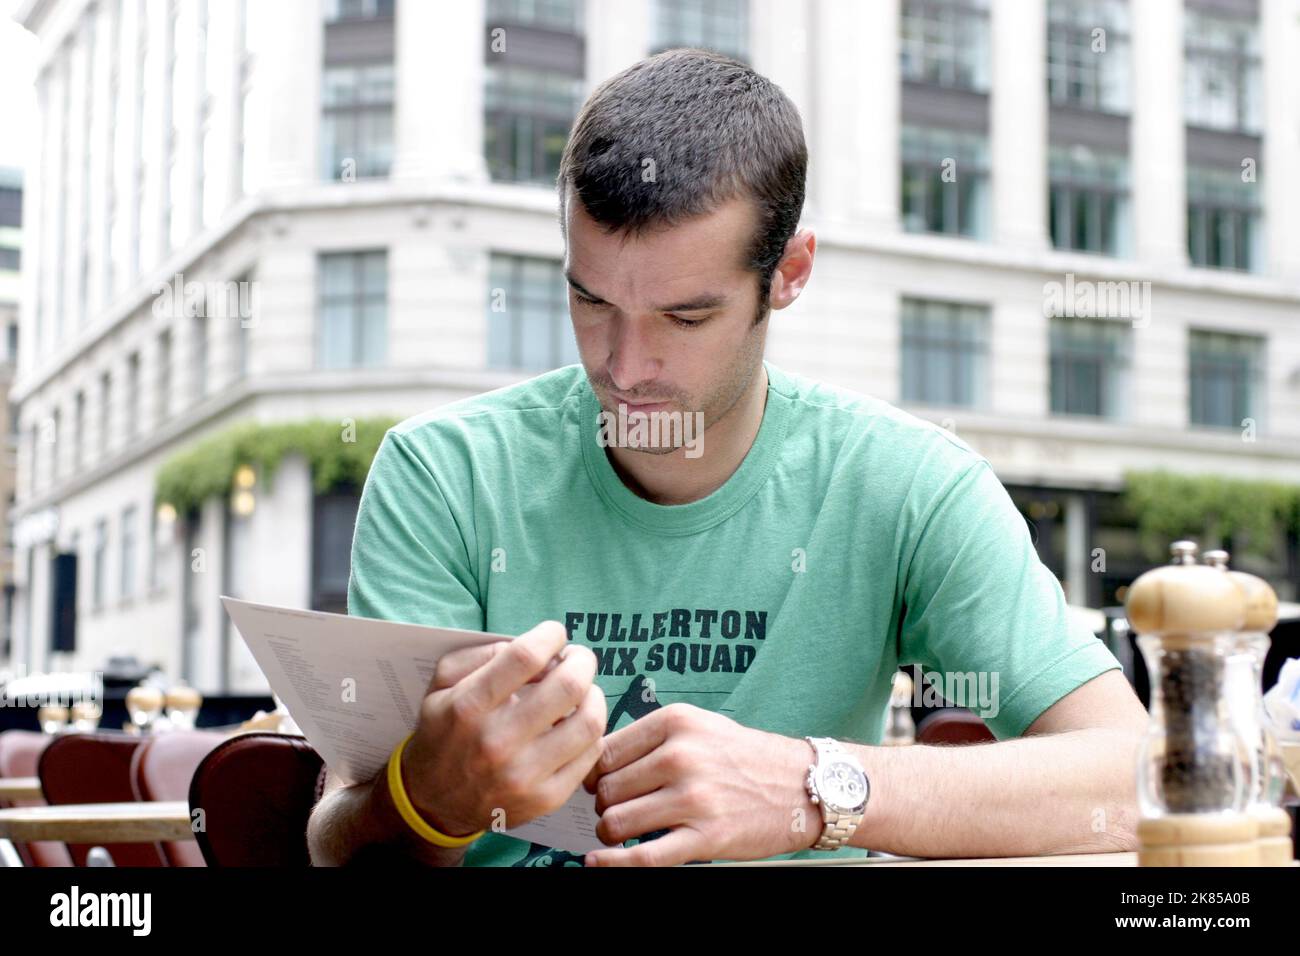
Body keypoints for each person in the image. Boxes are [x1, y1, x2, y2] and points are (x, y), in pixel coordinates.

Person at [306, 48, 1147, 868]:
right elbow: (337, 843)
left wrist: (811, 786)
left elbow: (1132, 782)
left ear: (788, 273)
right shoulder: (444, 475)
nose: (626, 370)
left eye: (685, 318)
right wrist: (429, 796)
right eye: (590, 300)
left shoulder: (906, 483)